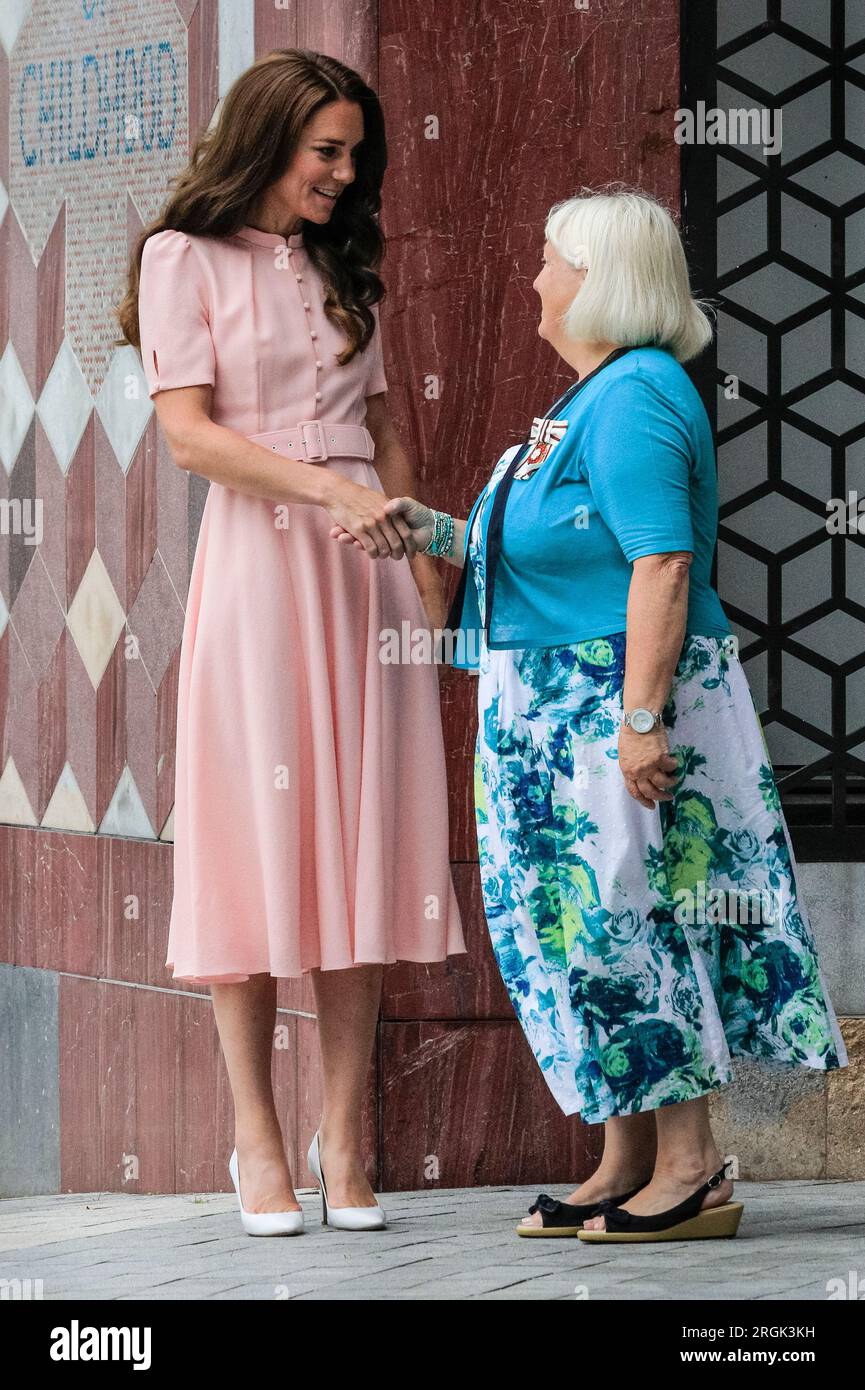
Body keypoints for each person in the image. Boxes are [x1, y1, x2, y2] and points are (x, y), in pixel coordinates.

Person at [333, 188, 848, 1242]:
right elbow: (547, 550)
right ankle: (624, 1155)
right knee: (566, 933)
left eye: (549, 261)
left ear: (600, 279)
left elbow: (660, 560)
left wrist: (641, 719)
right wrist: (430, 528)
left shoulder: (641, 396)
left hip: (608, 703)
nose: (532, 279)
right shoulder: (586, 400)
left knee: (627, 919)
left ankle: (692, 1164)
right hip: (542, 712)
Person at [116, 48, 465, 1236]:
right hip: (265, 570)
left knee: (356, 841)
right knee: (258, 836)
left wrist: (427, 569)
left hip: (366, 578)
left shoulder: (341, 261)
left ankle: (346, 1138)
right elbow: (190, 438)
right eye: (327, 150)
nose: (345, 172)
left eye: (356, 153)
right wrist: (325, 494)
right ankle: (255, 1140)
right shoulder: (182, 258)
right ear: (265, 143)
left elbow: (382, 423)